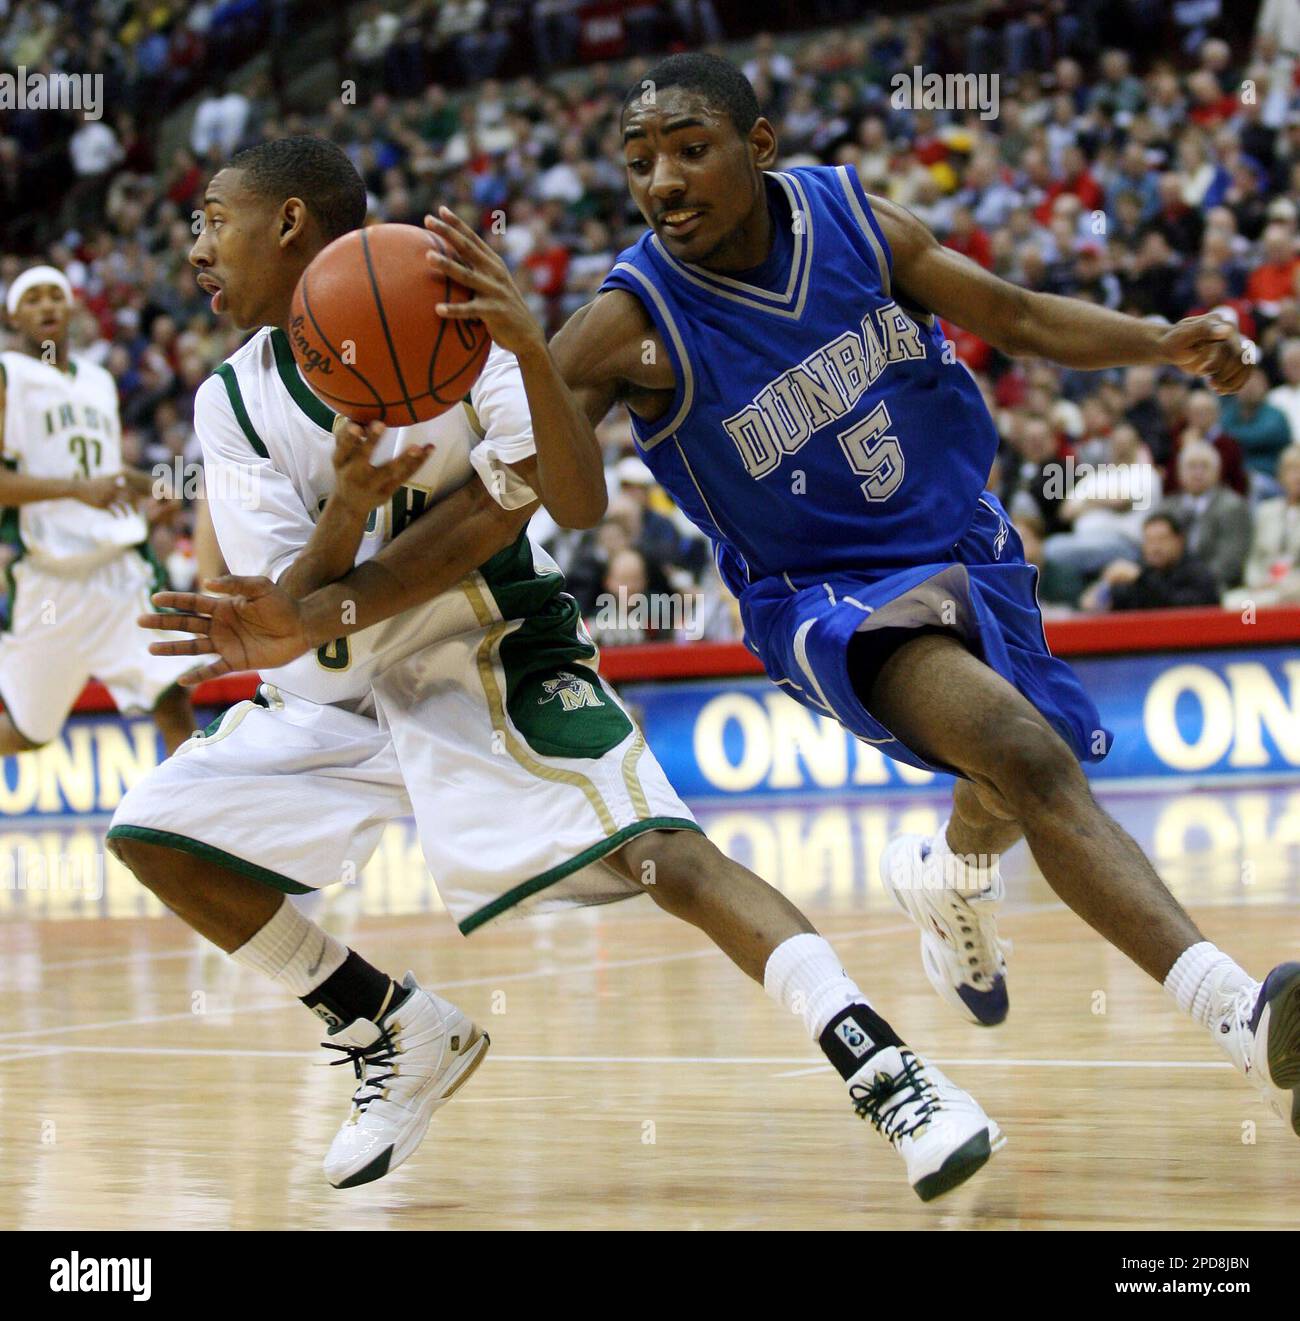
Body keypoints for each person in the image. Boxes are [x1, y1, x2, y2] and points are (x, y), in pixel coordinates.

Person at [112, 136, 1003, 1202]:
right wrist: (344, 512)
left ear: (291, 223)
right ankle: (392, 1027)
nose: (196, 248)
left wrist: (519, 361)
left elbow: (517, 503)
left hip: (487, 650)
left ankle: (890, 1072)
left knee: (665, 859)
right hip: (338, 691)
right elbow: (298, 607)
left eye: (213, 219)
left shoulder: (453, 314)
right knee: (159, 835)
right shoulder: (232, 400)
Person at [538, 54, 1299, 1135]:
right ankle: (1244, 1016)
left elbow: (1019, 317)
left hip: (960, 538)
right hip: (825, 595)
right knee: (1024, 754)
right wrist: (526, 364)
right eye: (637, 161)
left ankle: (944, 876)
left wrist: (1158, 343)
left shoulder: (855, 220)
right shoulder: (630, 319)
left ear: (757, 150)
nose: (660, 178)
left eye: (688, 148)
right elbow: (566, 502)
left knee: (1006, 781)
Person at [0, 265, 196, 758]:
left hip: (118, 570)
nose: (46, 306)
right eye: (33, 299)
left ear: (71, 309)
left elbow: (104, 473)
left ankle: (195, 822)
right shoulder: (8, 375)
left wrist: (153, 487)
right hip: (50, 578)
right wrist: (76, 490)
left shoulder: (97, 382)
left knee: (171, 692)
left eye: (55, 296)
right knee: (27, 732)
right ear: (13, 316)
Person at [1081, 510, 1221, 612]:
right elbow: (1097, 602)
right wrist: (1104, 588)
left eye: (1161, 539)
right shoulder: (1142, 570)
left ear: (1179, 541)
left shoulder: (1197, 572)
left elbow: (1180, 606)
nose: (1155, 547)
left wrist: (1140, 578)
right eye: (1149, 541)